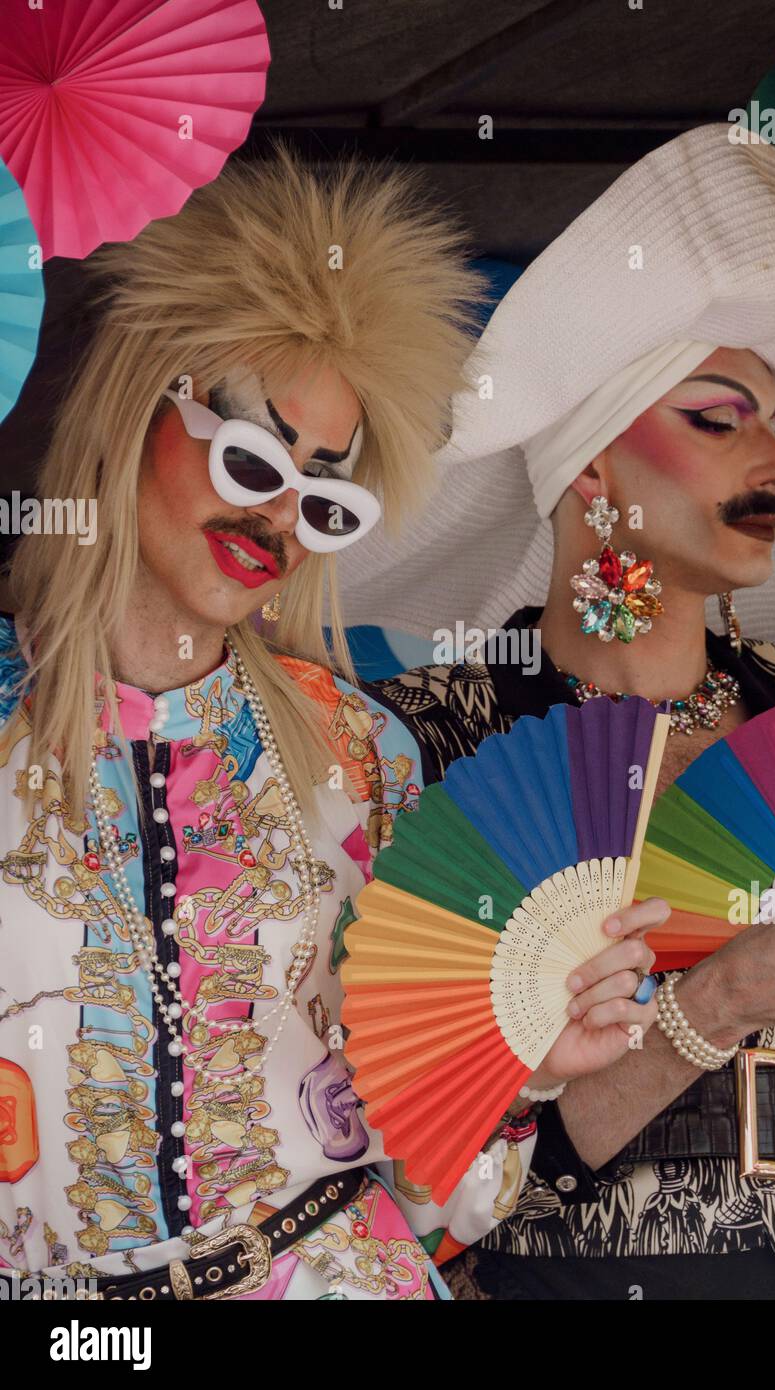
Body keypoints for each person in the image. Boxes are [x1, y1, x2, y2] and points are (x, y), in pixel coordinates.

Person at [0, 147, 656, 1301]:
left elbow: (446, 1192)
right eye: (251, 454)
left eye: (324, 494)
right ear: (134, 411)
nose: (279, 512)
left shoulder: (364, 759)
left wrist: (518, 1065)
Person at [343, 125, 775, 1299]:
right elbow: (435, 1154)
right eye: (721, 418)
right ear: (590, 467)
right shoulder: (428, 738)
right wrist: (720, 997)